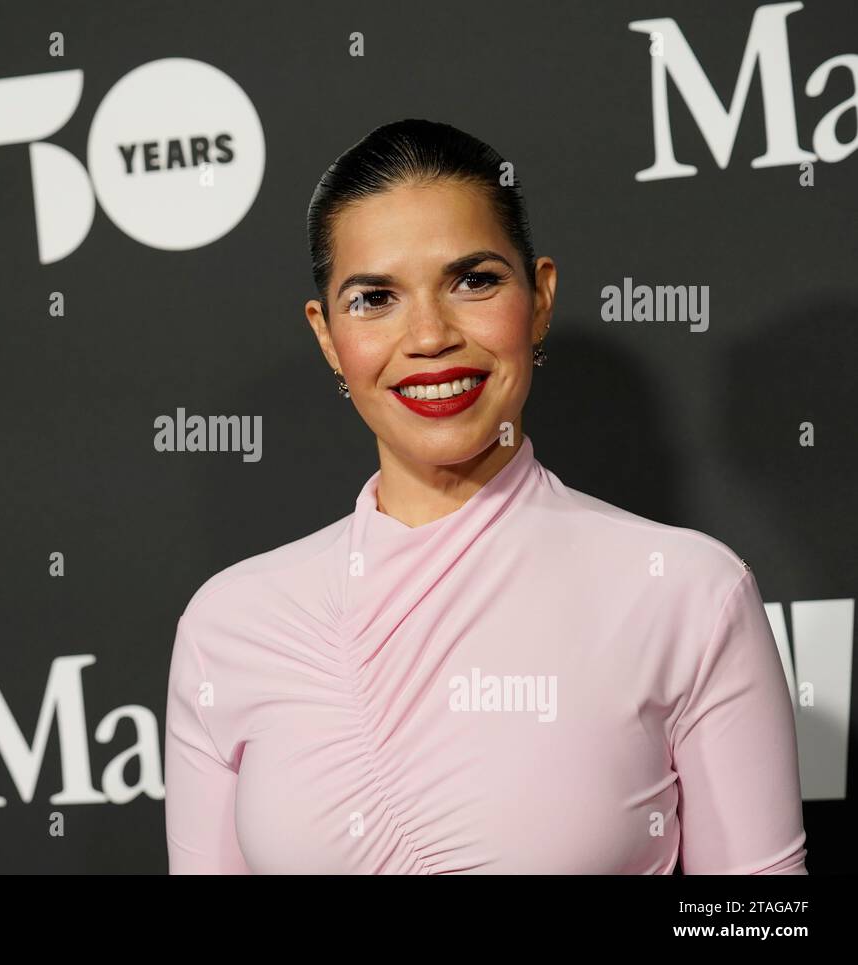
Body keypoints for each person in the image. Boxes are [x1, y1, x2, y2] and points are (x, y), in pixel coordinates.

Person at [162, 118, 807, 874]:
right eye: (375, 298)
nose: (430, 335)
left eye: (473, 280)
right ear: (329, 337)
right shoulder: (230, 624)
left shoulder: (689, 593)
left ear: (539, 299)